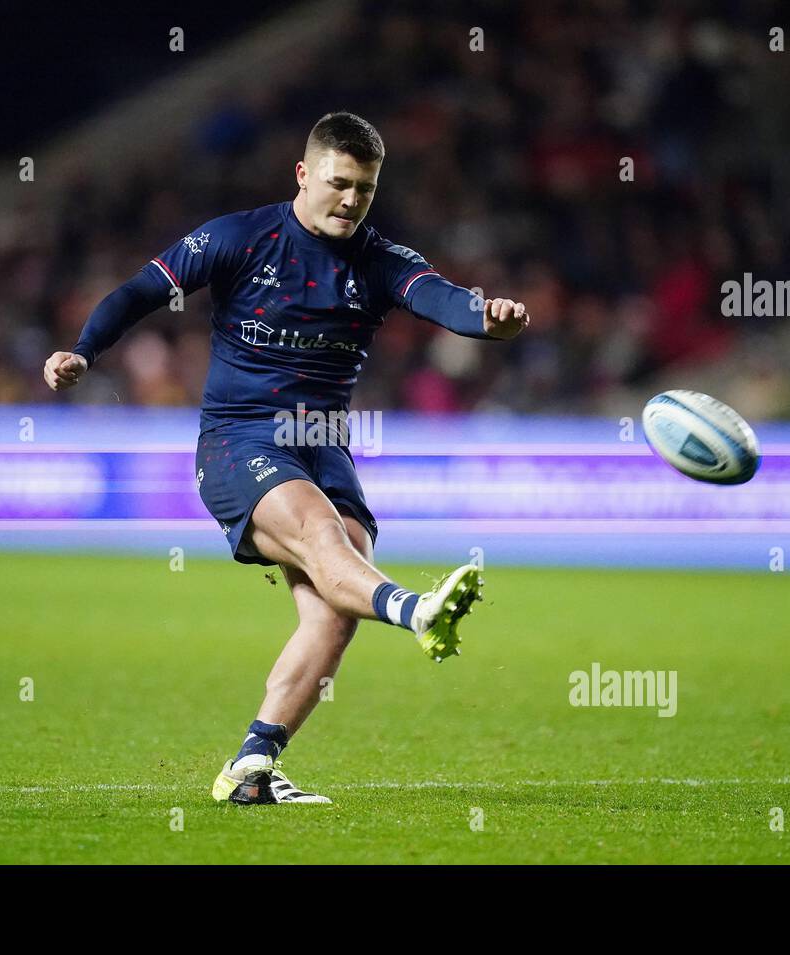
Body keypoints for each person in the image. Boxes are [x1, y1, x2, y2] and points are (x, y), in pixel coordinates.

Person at [43, 112, 529, 804]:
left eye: (365, 188)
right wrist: (83, 351)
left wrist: (488, 318)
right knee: (328, 542)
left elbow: (440, 297)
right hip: (240, 440)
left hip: (325, 447)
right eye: (339, 183)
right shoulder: (240, 238)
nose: (351, 201)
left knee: (335, 607)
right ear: (303, 174)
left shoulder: (381, 259)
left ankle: (252, 768)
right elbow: (140, 291)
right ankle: (418, 611)